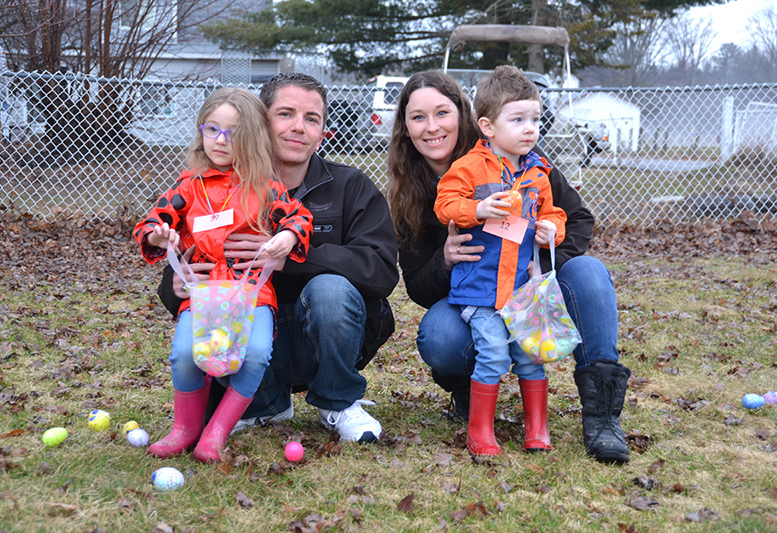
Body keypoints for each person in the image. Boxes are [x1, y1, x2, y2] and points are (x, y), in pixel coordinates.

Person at [388, 70, 632, 463]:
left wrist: (545, 260)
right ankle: (472, 395)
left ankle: (602, 414)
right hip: (474, 294)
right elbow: (417, 286)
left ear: (466, 116)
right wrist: (446, 259)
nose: (431, 127)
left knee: (588, 273)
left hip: (526, 281)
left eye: (442, 113)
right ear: (406, 128)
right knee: (439, 335)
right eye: (418, 117)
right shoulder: (421, 189)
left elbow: (575, 217)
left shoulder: (525, 160)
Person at [158, 73, 399, 443]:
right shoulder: (214, 188)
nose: (298, 127)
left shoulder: (350, 186)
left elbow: (381, 270)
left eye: (311, 118)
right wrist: (176, 285)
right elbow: (185, 260)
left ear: (322, 130)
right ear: (259, 120)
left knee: (330, 290)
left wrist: (293, 259)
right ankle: (263, 403)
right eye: (286, 113)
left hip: (318, 336)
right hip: (244, 332)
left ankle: (337, 400)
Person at [133, 87, 313, 463]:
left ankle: (216, 432)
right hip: (202, 293)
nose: (220, 139)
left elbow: (299, 217)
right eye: (212, 128)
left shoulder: (265, 187)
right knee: (184, 354)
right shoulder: (188, 187)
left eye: (232, 132)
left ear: (251, 137)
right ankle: (185, 428)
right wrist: (157, 234)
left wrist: (286, 235)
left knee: (257, 354)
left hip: (251, 293)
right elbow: (153, 220)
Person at [433, 66, 567, 456]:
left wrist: (550, 231)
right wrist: (477, 208)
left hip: (522, 290)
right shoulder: (469, 168)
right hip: (482, 289)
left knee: (529, 353)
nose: (530, 129)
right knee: (492, 352)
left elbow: (555, 214)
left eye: (535, 119)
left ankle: (537, 429)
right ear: (488, 126)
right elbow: (445, 205)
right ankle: (480, 432)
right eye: (518, 120)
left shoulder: (537, 173)